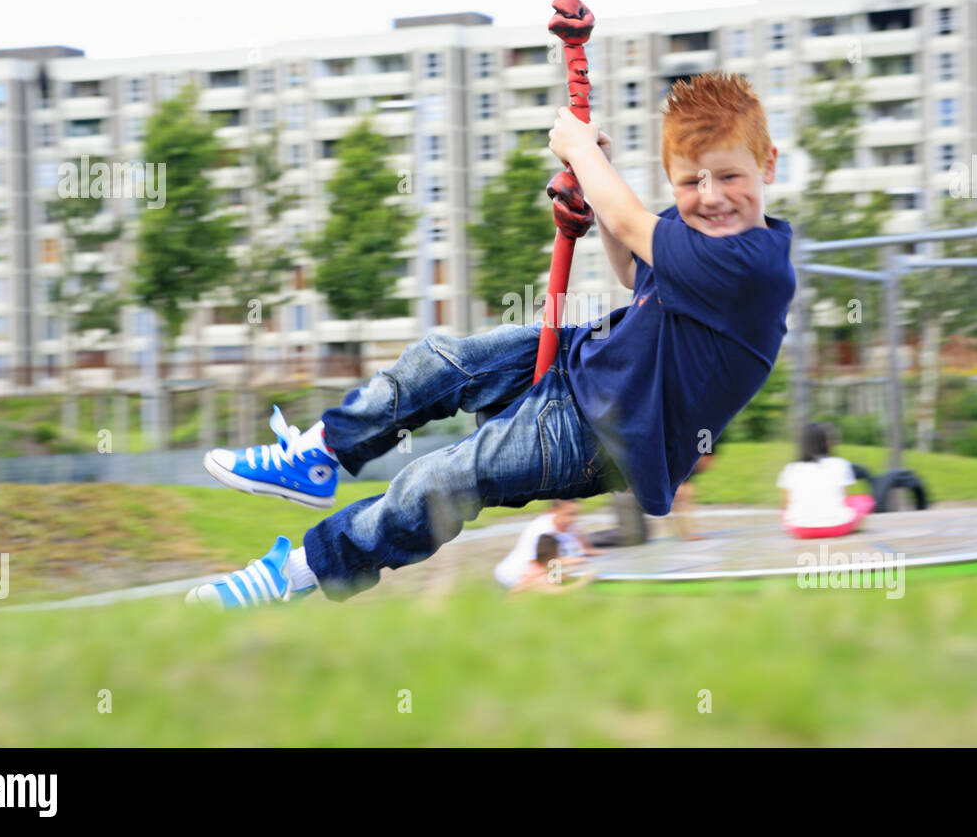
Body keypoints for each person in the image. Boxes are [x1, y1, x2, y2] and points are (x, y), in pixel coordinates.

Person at [187, 72, 796, 608]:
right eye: (691, 181)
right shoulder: (690, 232)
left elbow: (632, 221)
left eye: (730, 175)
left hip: (602, 433)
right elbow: (634, 266)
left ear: (768, 164)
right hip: (582, 364)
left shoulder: (753, 265)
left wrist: (585, 154)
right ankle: (320, 453)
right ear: (671, 177)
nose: (711, 195)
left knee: (441, 480)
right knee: (439, 362)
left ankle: (297, 573)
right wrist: (589, 206)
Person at [776, 422, 874, 539]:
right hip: (838, 527)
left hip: (800, 529)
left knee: (787, 512)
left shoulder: (790, 468)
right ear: (827, 442)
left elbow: (785, 504)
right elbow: (845, 499)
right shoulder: (841, 464)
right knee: (864, 500)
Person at [493, 500, 599, 590]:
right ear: (552, 512)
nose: (572, 519)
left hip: (543, 571)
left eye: (575, 514)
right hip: (516, 576)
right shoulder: (540, 531)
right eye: (569, 514)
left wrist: (588, 548)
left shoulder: (569, 524)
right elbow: (539, 561)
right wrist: (566, 562)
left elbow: (577, 531)